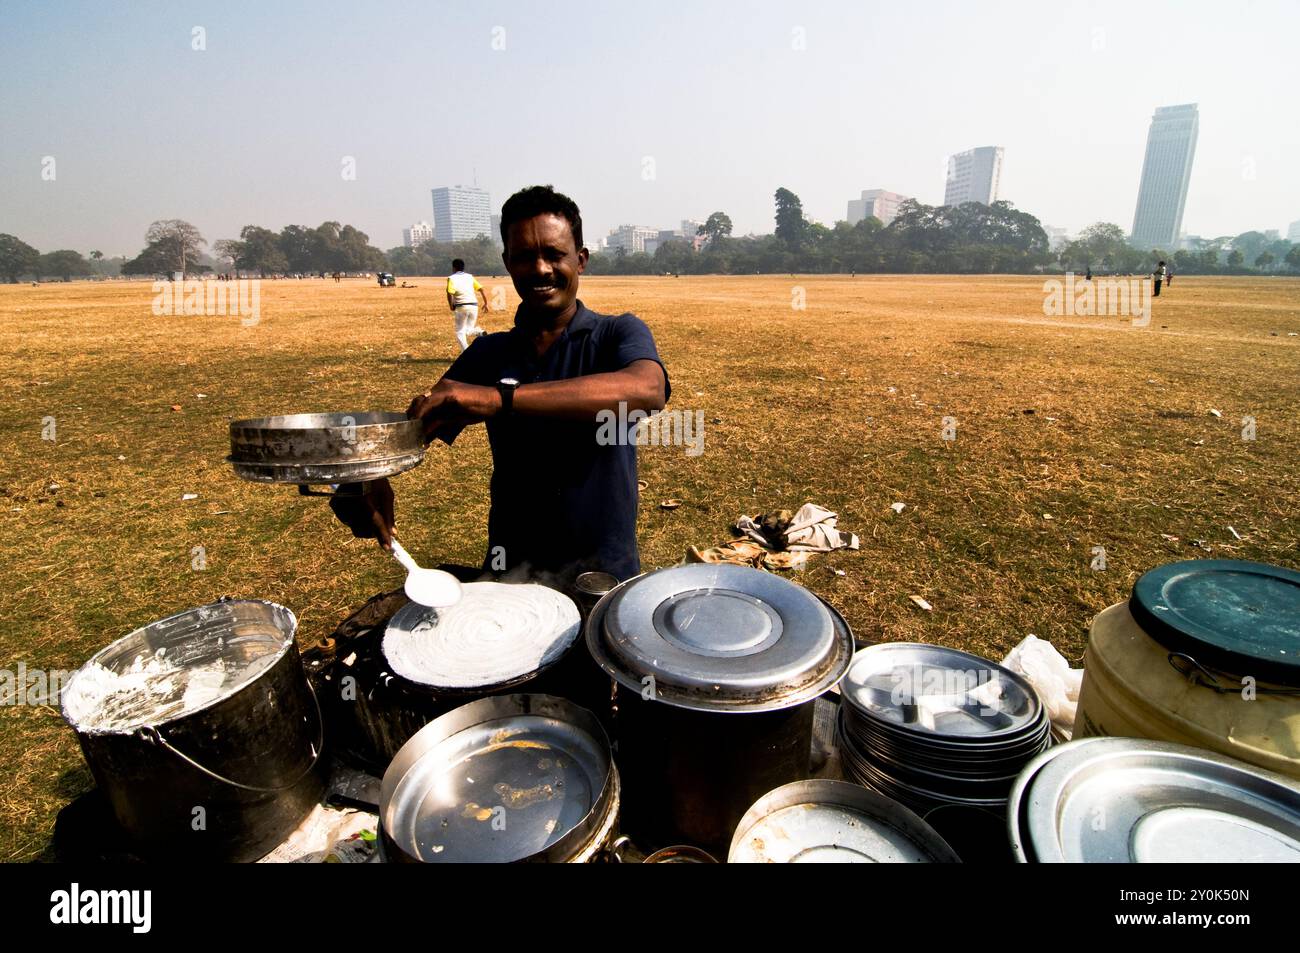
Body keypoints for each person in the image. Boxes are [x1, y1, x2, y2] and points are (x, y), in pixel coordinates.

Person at [332, 185, 670, 582]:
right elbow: (416, 427)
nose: (541, 268)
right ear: (509, 263)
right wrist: (364, 479)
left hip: (601, 570)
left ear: (580, 260)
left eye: (554, 255)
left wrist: (502, 399)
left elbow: (647, 391)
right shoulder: (489, 354)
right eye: (526, 257)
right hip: (512, 567)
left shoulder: (616, 334)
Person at [447, 258, 490, 350]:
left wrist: (451, 305)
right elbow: (481, 289)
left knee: (460, 332)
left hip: (461, 306)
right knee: (468, 330)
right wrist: (486, 303)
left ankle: (466, 352)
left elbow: (449, 292)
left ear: (453, 268)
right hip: (474, 306)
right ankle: (480, 332)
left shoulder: (451, 278)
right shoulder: (470, 277)